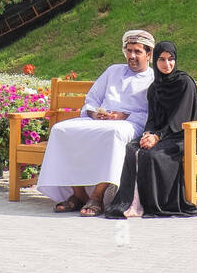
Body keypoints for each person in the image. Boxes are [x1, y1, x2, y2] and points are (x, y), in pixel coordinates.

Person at [36, 29, 155, 217]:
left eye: (137, 52)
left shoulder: (153, 79)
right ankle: (78, 194)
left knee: (113, 134)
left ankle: (97, 196)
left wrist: (123, 116)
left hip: (130, 124)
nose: (131, 56)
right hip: (100, 121)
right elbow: (92, 99)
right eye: (129, 51)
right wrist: (94, 113)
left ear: (149, 54)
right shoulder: (113, 71)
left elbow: (151, 114)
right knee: (62, 129)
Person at [103, 41, 197, 219]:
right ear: (155, 62)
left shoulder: (184, 83)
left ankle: (158, 204)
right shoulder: (155, 87)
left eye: (171, 59)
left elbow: (179, 119)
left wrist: (157, 136)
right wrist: (148, 133)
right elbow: (152, 118)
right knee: (133, 149)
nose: (167, 64)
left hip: (183, 136)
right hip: (161, 136)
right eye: (162, 60)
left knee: (152, 155)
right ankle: (132, 203)